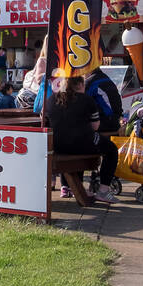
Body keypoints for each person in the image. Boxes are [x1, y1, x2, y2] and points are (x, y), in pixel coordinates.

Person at [48, 75, 118, 204]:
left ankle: (75, 187)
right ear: (80, 85)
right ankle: (103, 190)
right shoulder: (87, 99)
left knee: (82, 142)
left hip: (57, 146)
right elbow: (95, 126)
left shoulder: (51, 99)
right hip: (82, 144)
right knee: (112, 150)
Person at [84, 66, 124, 137]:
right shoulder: (105, 78)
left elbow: (81, 103)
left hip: (107, 123)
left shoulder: (90, 82)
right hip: (117, 119)